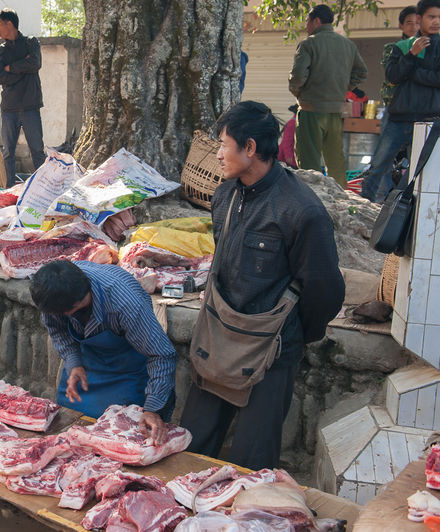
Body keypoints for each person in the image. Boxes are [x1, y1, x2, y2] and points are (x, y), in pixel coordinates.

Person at [179, 101, 344, 470]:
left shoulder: (301, 210)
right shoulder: (225, 194)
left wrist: (293, 333)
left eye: (224, 145)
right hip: (219, 339)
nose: (217, 154)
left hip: (271, 350)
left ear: (250, 147)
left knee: (251, 465)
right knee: (190, 447)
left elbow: (324, 291)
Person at [30, 260, 177, 443]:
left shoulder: (125, 303)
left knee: (124, 439)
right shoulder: (52, 295)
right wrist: (74, 364)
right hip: (89, 361)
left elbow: (162, 355)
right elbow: (58, 330)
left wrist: (153, 409)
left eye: (71, 310)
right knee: (68, 431)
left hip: (128, 367)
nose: (65, 316)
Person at [361, 1, 438, 202]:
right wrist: (411, 56)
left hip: (429, 120)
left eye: (439, 17)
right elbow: (393, 76)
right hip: (400, 116)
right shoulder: (402, 47)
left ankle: (411, 209)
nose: (436, 22)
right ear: (420, 19)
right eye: (431, 17)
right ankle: (364, 204)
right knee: (380, 164)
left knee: (422, 169)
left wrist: (413, 73)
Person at [289, 4, 368, 188]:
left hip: (310, 110)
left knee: (309, 164)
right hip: (335, 111)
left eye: (307, 21)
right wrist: (343, 89)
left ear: (316, 21)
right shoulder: (347, 45)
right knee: (335, 162)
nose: (306, 26)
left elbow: (298, 77)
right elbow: (362, 72)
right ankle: (340, 197)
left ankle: (312, 197)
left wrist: (298, 92)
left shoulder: (308, 43)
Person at [0, 8, 45, 186]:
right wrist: (24, 68)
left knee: (37, 150)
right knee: (8, 152)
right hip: (9, 109)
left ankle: (42, 187)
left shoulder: (31, 43)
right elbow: (1, 78)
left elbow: (35, 63)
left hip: (31, 106)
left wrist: (11, 68)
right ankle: (8, 188)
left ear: (9, 24)